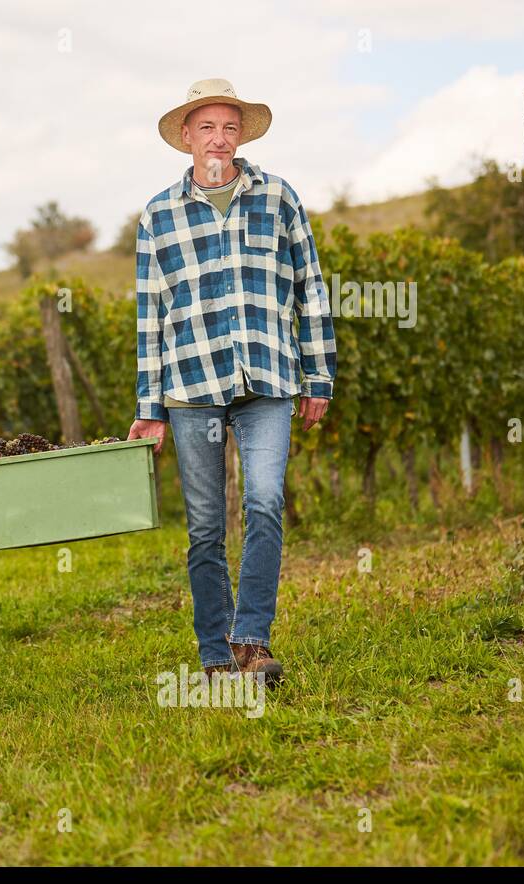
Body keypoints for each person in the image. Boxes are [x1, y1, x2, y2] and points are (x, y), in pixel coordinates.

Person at [127, 79, 337, 684]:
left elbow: (311, 289)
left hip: (269, 379)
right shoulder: (158, 215)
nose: (218, 138)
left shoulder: (278, 197)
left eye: (229, 127)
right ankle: (214, 651)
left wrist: (317, 375)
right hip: (192, 388)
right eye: (207, 127)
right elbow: (150, 316)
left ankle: (252, 640)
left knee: (266, 502)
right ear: (187, 138)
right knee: (205, 526)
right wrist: (150, 405)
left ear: (239, 135)